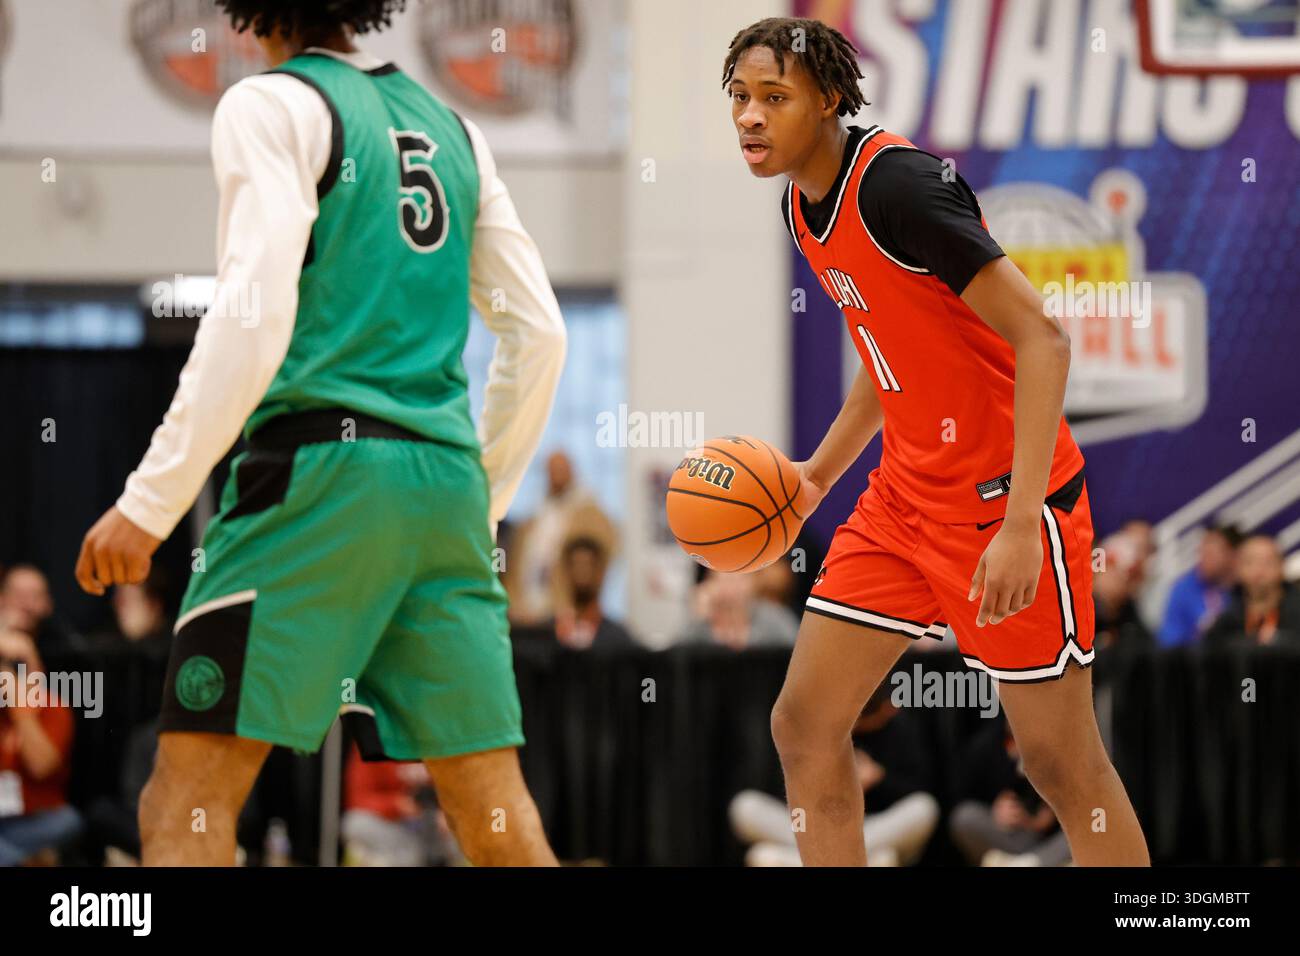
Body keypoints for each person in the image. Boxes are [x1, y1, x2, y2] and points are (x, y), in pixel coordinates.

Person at [74, 0, 565, 866]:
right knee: (494, 814)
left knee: (183, 801)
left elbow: (252, 314)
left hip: (319, 475)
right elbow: (540, 334)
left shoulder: (270, 104)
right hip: (444, 481)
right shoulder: (454, 128)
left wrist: (150, 501)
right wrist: (473, 502)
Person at [722, 17, 1147, 865]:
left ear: (830, 100)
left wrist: (1025, 524)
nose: (751, 117)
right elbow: (890, 358)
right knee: (803, 724)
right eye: (740, 97)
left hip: (1007, 505)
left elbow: (1045, 341)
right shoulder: (803, 209)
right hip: (903, 503)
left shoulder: (901, 188)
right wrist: (815, 477)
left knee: (1062, 764)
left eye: (775, 97)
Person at [731, 688, 939, 867]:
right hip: (815, 829)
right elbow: (787, 793)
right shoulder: (819, 727)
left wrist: (878, 778)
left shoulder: (897, 726)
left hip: (873, 826)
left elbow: (917, 788)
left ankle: (813, 859)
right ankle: (854, 858)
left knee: (924, 808)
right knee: (745, 806)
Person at [0, 631, 82, 866]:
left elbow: (41, 767)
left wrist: (20, 710)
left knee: (68, 822)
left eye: (18, 663)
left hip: (33, 819)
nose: (9, 672)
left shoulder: (53, 708)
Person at [948, 714, 1071, 867]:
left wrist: (1051, 814)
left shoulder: (1060, 744)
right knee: (965, 816)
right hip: (1008, 836)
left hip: (1048, 841)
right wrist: (997, 810)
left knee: (1088, 827)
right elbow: (965, 793)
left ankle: (1029, 863)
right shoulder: (988, 743)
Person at [1204, 534, 1300, 647]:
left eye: (1267, 563)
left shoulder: (1296, 613)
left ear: (1281, 566)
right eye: (1250, 563)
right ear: (1238, 568)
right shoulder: (1226, 618)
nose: (1258, 572)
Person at [1158, 524, 1239, 647]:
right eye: (1202, 552)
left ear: (1232, 556)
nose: (1203, 559)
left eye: (1211, 554)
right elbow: (1169, 641)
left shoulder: (1244, 591)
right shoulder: (1183, 589)